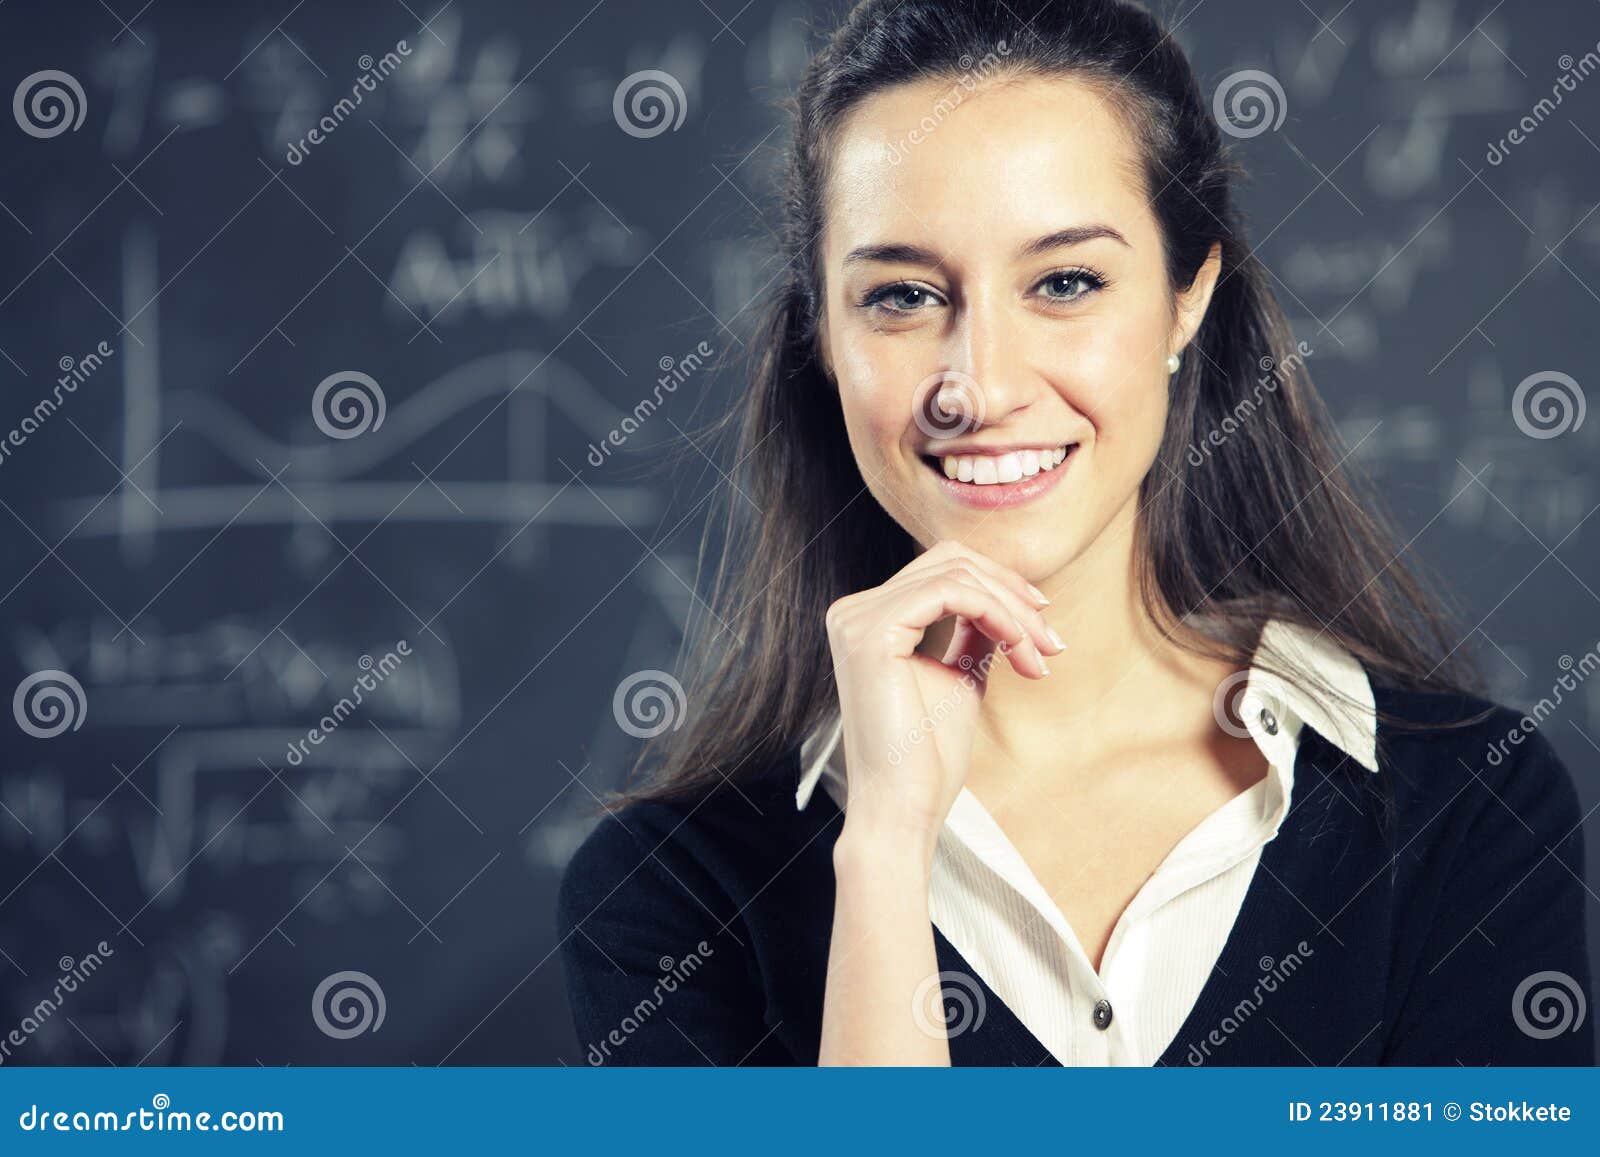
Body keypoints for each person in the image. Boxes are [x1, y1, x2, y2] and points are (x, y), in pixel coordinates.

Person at [556, 0, 1594, 1066]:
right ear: (820, 334)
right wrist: (884, 852)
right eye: (903, 296)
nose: (981, 386)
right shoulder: (665, 895)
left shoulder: (1467, 807)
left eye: (1065, 282)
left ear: (1188, 298)